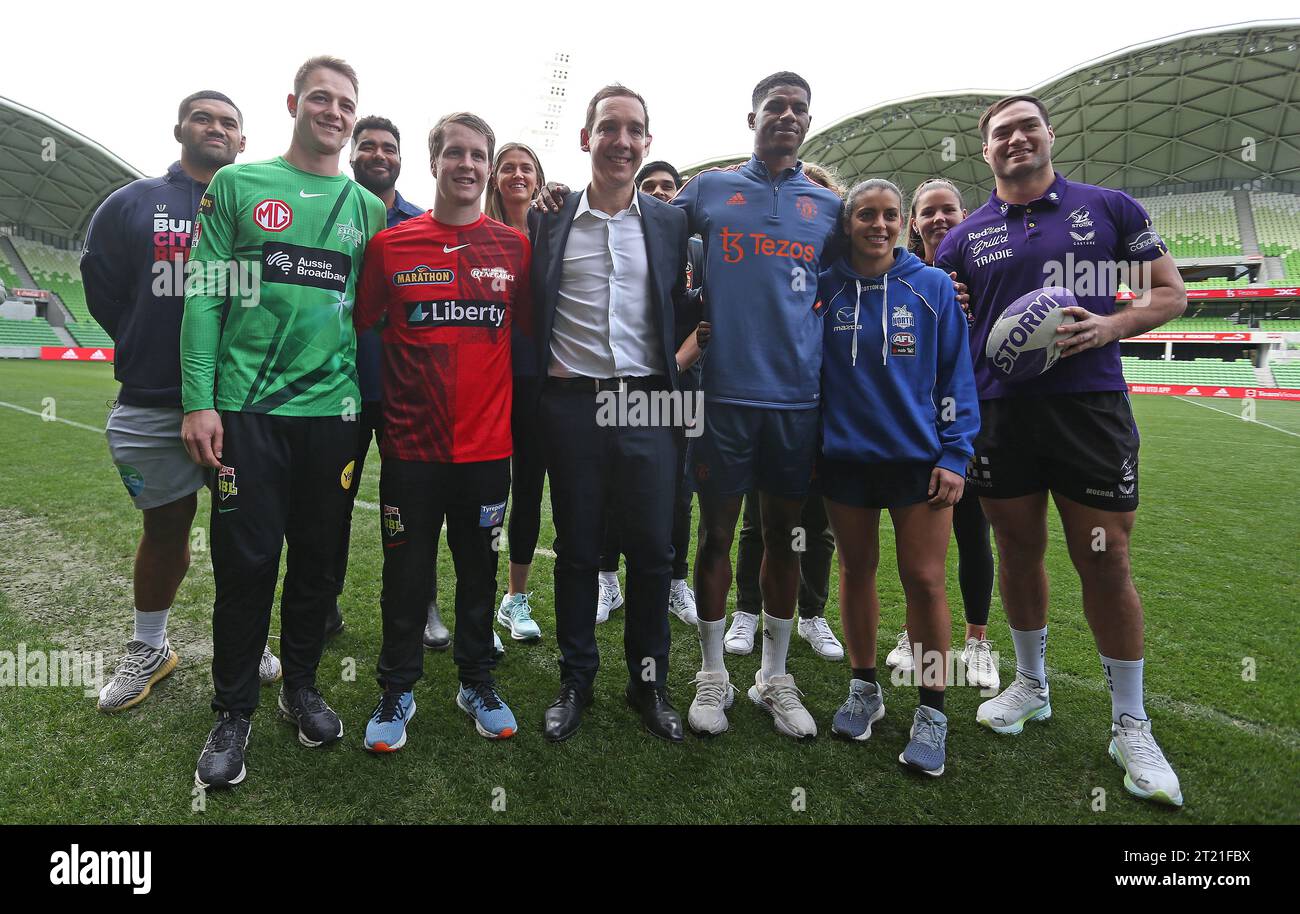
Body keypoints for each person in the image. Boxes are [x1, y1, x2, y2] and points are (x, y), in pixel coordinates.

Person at [936, 95, 1187, 805]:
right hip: (999, 415)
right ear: (984, 152)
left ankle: (1130, 722)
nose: (1015, 139)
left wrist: (1110, 325)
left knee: (1105, 559)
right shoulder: (966, 236)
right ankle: (1031, 685)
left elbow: (1169, 295)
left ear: (1048, 136)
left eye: (1025, 127)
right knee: (1017, 552)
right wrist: (952, 313)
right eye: (999, 133)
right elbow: (945, 315)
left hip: (1088, 410)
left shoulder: (1108, 209)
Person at [182, 56, 386, 789]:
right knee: (246, 562)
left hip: (333, 417)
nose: (333, 111)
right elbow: (204, 294)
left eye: (346, 103)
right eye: (321, 98)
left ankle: (300, 687)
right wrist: (199, 400)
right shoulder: (240, 184)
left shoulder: (368, 208)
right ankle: (232, 709)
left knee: (319, 562)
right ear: (295, 102)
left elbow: (368, 320)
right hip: (249, 411)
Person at [81, 90, 283, 712]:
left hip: (242, 401)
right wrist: (147, 345)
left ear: (244, 141)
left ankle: (245, 642)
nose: (215, 128)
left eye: (228, 122)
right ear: (180, 129)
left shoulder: (258, 202)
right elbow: (105, 292)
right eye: (203, 117)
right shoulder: (131, 202)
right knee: (165, 527)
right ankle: (150, 645)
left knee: (245, 531)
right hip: (154, 397)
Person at [672, 72, 841, 738]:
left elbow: (869, 274)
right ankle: (712, 674)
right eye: (777, 107)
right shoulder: (710, 189)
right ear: (753, 118)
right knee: (715, 535)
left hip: (797, 402)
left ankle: (774, 676)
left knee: (785, 537)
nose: (789, 116)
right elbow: (642, 240)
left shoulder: (827, 207)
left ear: (807, 123)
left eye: (800, 109)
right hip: (721, 399)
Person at [355, 112, 532, 749]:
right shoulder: (391, 246)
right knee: (406, 577)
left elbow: (525, 334)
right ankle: (397, 689)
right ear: (433, 163)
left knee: (479, 573)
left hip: (488, 450)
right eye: (454, 153)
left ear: (489, 167)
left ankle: (476, 679)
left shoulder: (514, 247)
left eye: (477, 155)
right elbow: (365, 324)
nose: (466, 165)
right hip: (411, 448)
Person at [529, 85, 694, 743]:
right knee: (576, 550)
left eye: (634, 130)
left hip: (651, 399)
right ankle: (577, 681)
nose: (621, 140)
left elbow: (700, 301)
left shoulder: (672, 221)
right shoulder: (549, 218)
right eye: (609, 128)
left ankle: (647, 685)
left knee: (654, 551)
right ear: (586, 138)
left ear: (647, 143)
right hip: (572, 405)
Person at [819, 178, 979, 777]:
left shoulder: (933, 287)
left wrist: (955, 453)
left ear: (903, 224)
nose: (879, 225)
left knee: (925, 581)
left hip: (920, 462)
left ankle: (933, 711)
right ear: (849, 222)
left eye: (890, 215)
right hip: (845, 462)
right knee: (856, 571)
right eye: (867, 215)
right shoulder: (825, 288)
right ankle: (865, 687)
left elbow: (957, 377)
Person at [334, 115, 447, 644]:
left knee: (415, 510)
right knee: (328, 503)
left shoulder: (422, 224)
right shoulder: (326, 212)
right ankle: (325, 603)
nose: (379, 154)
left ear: (402, 159)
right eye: (369, 146)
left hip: (406, 393)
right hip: (335, 391)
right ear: (353, 153)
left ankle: (423, 604)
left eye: (389, 147)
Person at [883, 177, 999, 690]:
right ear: (914, 222)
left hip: (967, 422)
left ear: (964, 214)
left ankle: (976, 642)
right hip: (910, 427)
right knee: (917, 545)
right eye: (927, 211)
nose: (938, 219)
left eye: (947, 209)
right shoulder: (899, 275)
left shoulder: (984, 271)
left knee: (973, 531)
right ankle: (913, 634)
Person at [727, 160, 843, 661]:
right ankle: (747, 610)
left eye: (814, 195)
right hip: (777, 396)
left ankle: (813, 614)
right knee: (761, 519)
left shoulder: (841, 269)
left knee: (816, 523)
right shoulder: (773, 262)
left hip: (831, 404)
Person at [597, 158, 701, 627]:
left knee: (679, 490)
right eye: (651, 185)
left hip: (680, 384)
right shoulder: (630, 239)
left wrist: (675, 367)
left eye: (669, 185)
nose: (661, 191)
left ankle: (678, 582)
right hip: (623, 381)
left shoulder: (695, 249)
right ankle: (606, 579)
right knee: (609, 483)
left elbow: (707, 316)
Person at [486, 142, 547, 645]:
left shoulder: (556, 227)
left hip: (542, 378)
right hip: (487, 379)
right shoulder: (479, 233)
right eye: (508, 167)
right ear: (493, 176)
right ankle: (477, 602)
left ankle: (516, 598)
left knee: (529, 487)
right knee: (485, 491)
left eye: (527, 168)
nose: (517, 175)